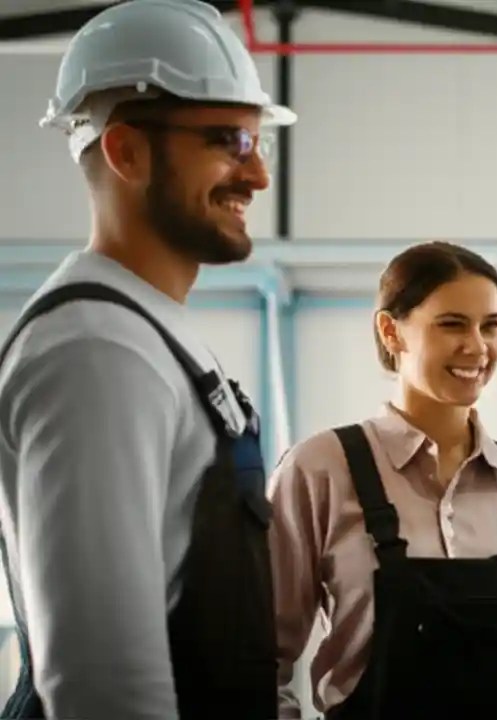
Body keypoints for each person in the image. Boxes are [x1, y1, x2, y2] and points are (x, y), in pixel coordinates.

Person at [0, 1, 296, 718]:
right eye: (230, 141)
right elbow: (104, 684)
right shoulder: (96, 351)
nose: (258, 175)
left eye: (258, 141)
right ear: (126, 152)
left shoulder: (147, 331)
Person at [268, 241, 497, 719]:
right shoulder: (319, 470)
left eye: (491, 326)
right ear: (390, 331)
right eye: (452, 324)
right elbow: (259, 660)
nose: (477, 347)